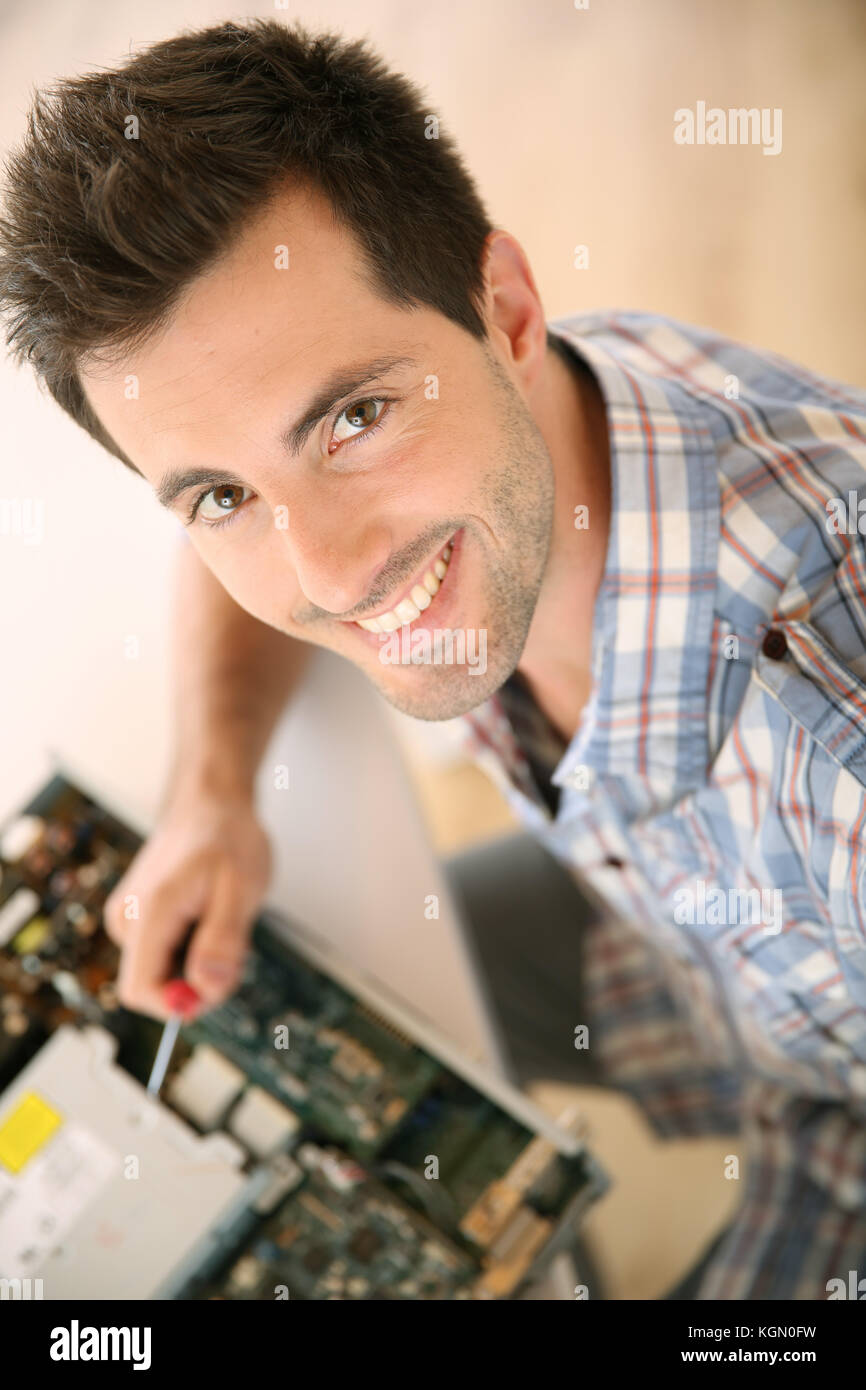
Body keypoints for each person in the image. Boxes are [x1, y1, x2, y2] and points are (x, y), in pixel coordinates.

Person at [1, 19, 865, 1300]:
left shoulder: (826, 731)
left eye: (352, 418)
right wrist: (212, 794)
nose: (333, 574)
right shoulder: (521, 422)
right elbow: (259, 491)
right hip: (663, 938)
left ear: (503, 306)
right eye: (225, 494)